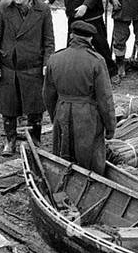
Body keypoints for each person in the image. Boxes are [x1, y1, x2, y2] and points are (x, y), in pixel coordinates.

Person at [0, 0, 54, 157]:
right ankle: (10, 140)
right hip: (8, 66)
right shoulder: (3, 9)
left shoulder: (44, 10)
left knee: (35, 107)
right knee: (8, 107)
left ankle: (35, 140)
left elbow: (49, 41)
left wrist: (47, 63)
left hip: (32, 67)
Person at [44, 20, 117, 173]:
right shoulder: (96, 61)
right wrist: (110, 127)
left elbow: (48, 94)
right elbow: (105, 99)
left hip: (62, 111)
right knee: (89, 159)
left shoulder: (55, 58)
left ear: (72, 35)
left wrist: (55, 116)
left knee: (63, 155)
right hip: (87, 116)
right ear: (90, 39)